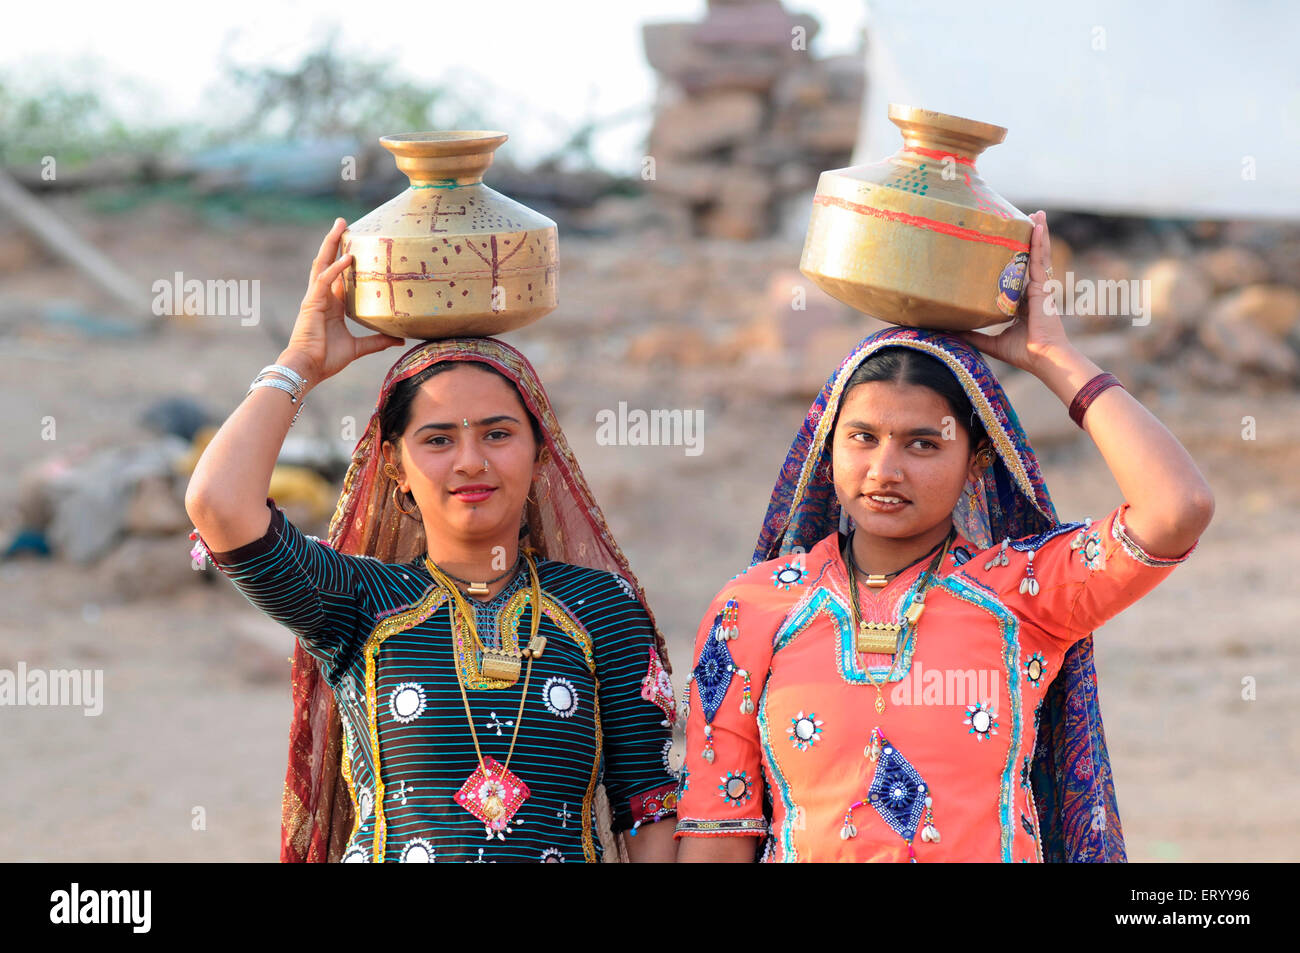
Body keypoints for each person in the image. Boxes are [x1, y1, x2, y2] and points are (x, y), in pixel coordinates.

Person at [674, 211, 1214, 862]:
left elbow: (1177, 507)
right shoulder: (751, 609)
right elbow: (715, 835)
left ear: (976, 461)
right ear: (827, 446)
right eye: (863, 437)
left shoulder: (1024, 591)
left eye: (923, 443)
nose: (885, 469)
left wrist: (1052, 358)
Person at [186, 219, 678, 862]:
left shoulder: (599, 608)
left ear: (539, 453)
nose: (470, 462)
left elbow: (650, 809)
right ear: (395, 466)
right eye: (438, 440)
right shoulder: (360, 602)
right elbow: (219, 505)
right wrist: (300, 363)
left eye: (498, 434)